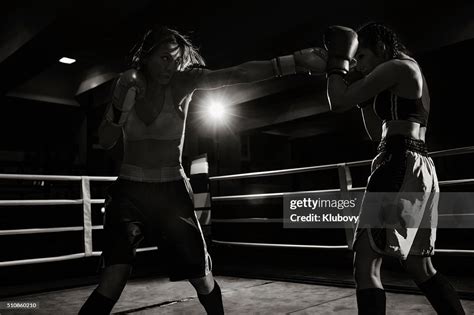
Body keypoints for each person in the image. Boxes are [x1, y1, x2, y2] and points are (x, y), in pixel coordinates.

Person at [79, 26, 327, 315]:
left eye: (174, 59)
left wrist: (293, 62)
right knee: (113, 279)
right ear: (146, 57)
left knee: (201, 278)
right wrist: (120, 109)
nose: (169, 67)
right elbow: (105, 140)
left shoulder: (183, 84)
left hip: (171, 192)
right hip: (129, 192)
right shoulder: (128, 84)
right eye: (163, 58)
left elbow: (235, 75)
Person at [324, 23, 465, 314]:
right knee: (419, 264)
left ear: (382, 48)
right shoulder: (404, 74)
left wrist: (337, 64)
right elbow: (377, 134)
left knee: (366, 262)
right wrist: (361, 96)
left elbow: (337, 102)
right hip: (415, 165)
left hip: (399, 163)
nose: (358, 64)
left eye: (361, 56)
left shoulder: (398, 68)